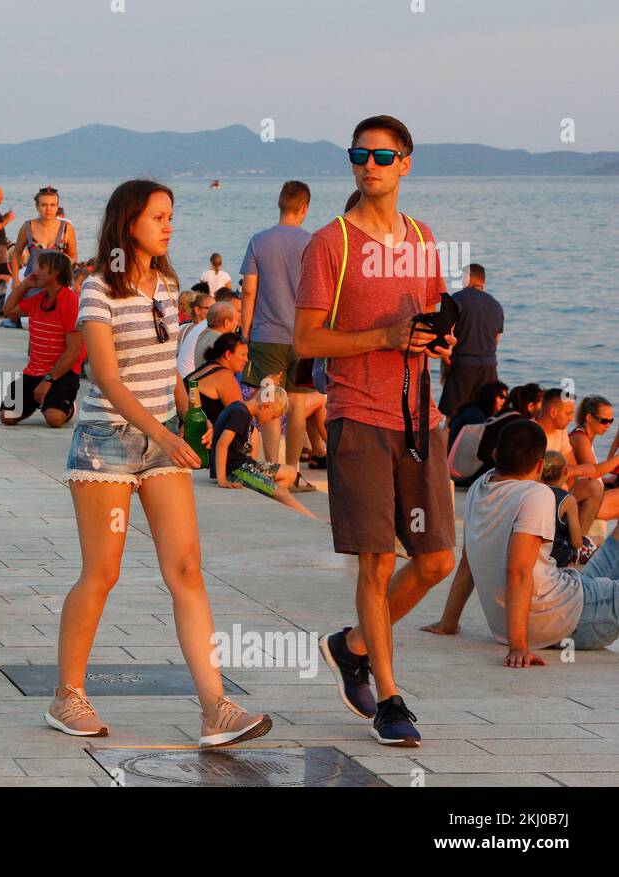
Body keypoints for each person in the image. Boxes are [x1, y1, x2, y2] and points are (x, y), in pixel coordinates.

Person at [46, 179, 271, 747]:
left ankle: (216, 708)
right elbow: (104, 375)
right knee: (103, 572)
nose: (169, 224)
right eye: (158, 216)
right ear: (129, 224)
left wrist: (186, 407)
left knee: (187, 569)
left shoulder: (166, 285)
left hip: (161, 439)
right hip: (107, 443)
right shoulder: (97, 288)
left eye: (171, 215)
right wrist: (162, 436)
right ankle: (67, 695)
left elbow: (163, 358)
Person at [294, 115, 455, 747]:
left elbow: (435, 314)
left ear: (406, 163)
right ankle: (390, 697)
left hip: (421, 415)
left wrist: (440, 340)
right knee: (376, 560)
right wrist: (382, 338)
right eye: (359, 154)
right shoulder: (328, 243)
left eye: (382, 156)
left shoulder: (422, 238)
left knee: (437, 559)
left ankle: (353, 644)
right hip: (357, 415)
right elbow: (306, 340)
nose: (369, 164)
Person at [423, 420, 619, 658]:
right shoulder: (537, 496)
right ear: (539, 465)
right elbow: (518, 571)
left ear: (495, 455)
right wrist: (518, 646)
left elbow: (468, 561)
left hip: (545, 608)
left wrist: (448, 622)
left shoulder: (478, 488)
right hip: (570, 618)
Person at [240, 180, 315, 477]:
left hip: (266, 335)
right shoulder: (312, 242)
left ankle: (271, 468)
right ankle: (293, 471)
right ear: (304, 208)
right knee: (297, 404)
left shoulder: (259, 241)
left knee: (269, 400)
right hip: (303, 337)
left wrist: (245, 330)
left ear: (280, 204)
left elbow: (248, 290)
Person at [0, 250, 85, 427]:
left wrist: (48, 380)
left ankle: (66, 407)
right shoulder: (39, 299)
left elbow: (75, 351)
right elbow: (8, 310)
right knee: (7, 417)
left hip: (62, 373)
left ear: (55, 273)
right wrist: (25, 285)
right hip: (33, 372)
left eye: (41, 267)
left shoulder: (70, 302)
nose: (35, 271)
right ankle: (42, 402)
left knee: (54, 419)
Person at [211, 382, 317, 518]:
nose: (270, 421)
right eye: (273, 416)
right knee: (281, 492)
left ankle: (265, 496)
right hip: (237, 471)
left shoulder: (243, 409)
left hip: (246, 465)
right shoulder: (240, 413)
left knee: (291, 473)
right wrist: (222, 479)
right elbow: (222, 444)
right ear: (265, 406)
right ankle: (312, 519)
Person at [439, 264, 503, 419]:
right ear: (483, 281)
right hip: (489, 368)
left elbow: (445, 331)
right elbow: (496, 340)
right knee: (485, 418)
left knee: (453, 419)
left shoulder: (458, 298)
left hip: (463, 368)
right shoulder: (496, 305)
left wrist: (444, 357)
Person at [564, 394, 619, 534]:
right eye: (604, 421)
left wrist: (608, 480)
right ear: (589, 418)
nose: (607, 425)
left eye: (611, 421)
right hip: (581, 499)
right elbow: (592, 471)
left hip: (585, 493)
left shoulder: (586, 438)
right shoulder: (580, 438)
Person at [9, 185, 78, 289]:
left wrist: (67, 262)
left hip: (59, 284)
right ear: (37, 206)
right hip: (33, 285)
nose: (48, 209)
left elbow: (73, 254)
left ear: (57, 206)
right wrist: (15, 279)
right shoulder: (28, 227)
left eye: (53, 205)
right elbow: (16, 253)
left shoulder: (66, 228)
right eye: (44, 205)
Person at [183, 331, 248, 426]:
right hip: (201, 434)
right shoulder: (225, 376)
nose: (246, 359)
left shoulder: (208, 367)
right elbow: (240, 417)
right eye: (243, 355)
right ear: (228, 354)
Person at [542, 451, 584, 568]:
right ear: (565, 471)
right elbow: (577, 542)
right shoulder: (567, 500)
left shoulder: (531, 491)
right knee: (599, 540)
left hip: (535, 552)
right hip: (557, 557)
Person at [176, 300, 235, 378]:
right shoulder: (216, 337)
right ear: (226, 322)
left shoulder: (206, 328)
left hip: (185, 379)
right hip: (191, 383)